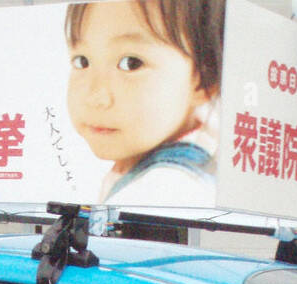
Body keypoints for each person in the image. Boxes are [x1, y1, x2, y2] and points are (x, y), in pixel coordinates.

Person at [66, 0, 223, 208]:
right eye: (82, 61)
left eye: (131, 63)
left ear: (204, 81)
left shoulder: (165, 188)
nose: (95, 97)